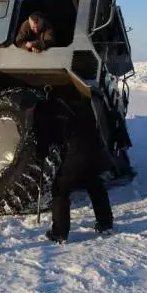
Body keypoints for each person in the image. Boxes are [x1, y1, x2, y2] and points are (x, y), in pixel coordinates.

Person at [44, 103, 114, 243]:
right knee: (95, 184)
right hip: (97, 151)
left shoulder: (54, 107)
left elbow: (52, 136)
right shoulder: (84, 101)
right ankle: (105, 224)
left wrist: (43, 149)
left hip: (77, 152)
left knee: (60, 189)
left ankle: (59, 233)